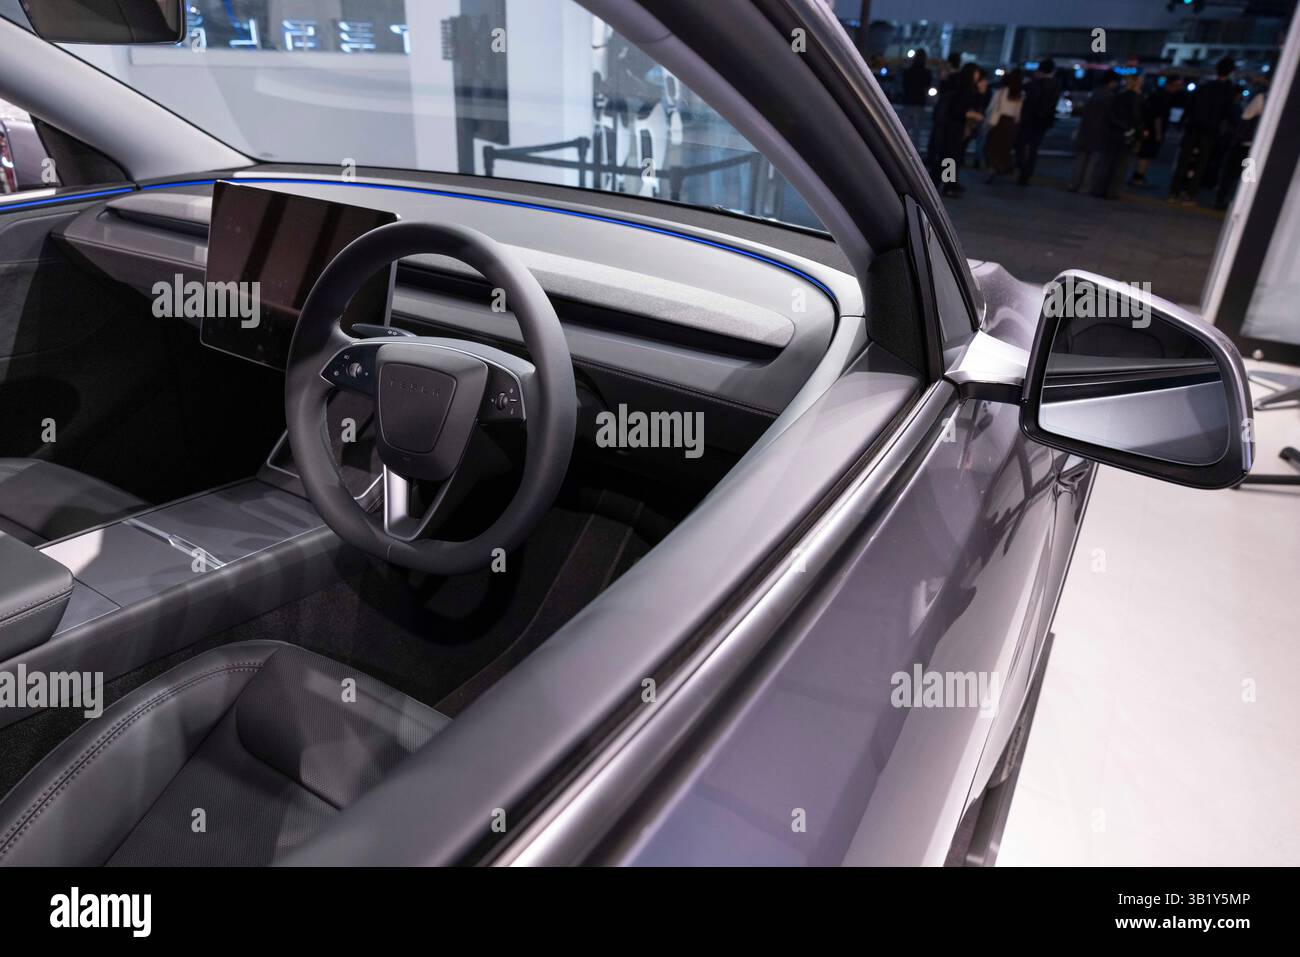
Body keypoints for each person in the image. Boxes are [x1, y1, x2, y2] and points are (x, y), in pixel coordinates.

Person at [1169, 56, 1238, 205]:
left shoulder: (1205, 86)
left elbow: (1190, 105)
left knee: (1184, 160)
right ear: (1230, 72)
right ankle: (1190, 194)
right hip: (1210, 130)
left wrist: (1182, 122)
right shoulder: (1227, 90)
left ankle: (1174, 192)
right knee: (1201, 163)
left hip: (1193, 127)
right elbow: (1230, 111)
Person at [930, 62, 985, 197]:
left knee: (947, 158)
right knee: (950, 158)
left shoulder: (962, 87)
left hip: (953, 128)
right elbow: (957, 111)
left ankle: (939, 184)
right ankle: (945, 186)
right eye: (976, 73)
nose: (978, 76)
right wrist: (973, 114)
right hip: (953, 128)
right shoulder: (964, 90)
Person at [1215, 76, 1268, 208]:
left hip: (1245, 145)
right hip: (1260, 149)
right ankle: (1242, 204)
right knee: (1248, 178)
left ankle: (1223, 200)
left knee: (1231, 174)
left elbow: (1245, 117)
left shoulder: (1262, 97)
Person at [1092, 72, 1144, 198]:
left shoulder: (1118, 96)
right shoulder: (1137, 98)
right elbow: (1137, 118)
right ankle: (1112, 191)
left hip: (1113, 132)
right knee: (1120, 165)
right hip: (1126, 134)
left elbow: (1110, 115)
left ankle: (1099, 189)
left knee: (1107, 162)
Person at [1069, 70, 1118, 194]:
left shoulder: (1094, 94)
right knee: (1093, 162)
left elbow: (1084, 111)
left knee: (1080, 160)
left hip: (1085, 130)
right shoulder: (1110, 97)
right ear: (1112, 82)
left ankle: (1074, 184)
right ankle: (1085, 187)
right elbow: (1110, 117)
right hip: (1099, 132)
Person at [1132, 75, 1183, 187]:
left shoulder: (1157, 94)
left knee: (1145, 154)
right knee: (1146, 154)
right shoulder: (1163, 97)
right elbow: (1158, 117)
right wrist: (1158, 133)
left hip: (1148, 127)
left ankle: (1139, 176)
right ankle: (1138, 177)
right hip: (1152, 129)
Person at [1014, 58, 1059, 185]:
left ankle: (1022, 167)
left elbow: (1027, 98)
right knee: (1034, 148)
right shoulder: (1055, 85)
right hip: (1043, 121)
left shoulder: (1035, 83)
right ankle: (1026, 173)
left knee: (1020, 144)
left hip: (1029, 119)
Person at [983, 68, 1023, 183]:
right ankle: (1002, 168)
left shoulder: (1001, 92)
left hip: (999, 122)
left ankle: (992, 169)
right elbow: (1018, 113)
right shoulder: (1019, 95)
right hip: (1011, 124)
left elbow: (992, 107)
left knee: (991, 147)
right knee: (1004, 149)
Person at [899, 48, 933, 148]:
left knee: (904, 130)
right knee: (916, 131)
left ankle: (902, 149)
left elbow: (904, 86)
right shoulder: (927, 72)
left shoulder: (908, 72)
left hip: (908, 101)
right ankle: (915, 152)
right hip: (919, 102)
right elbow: (927, 86)